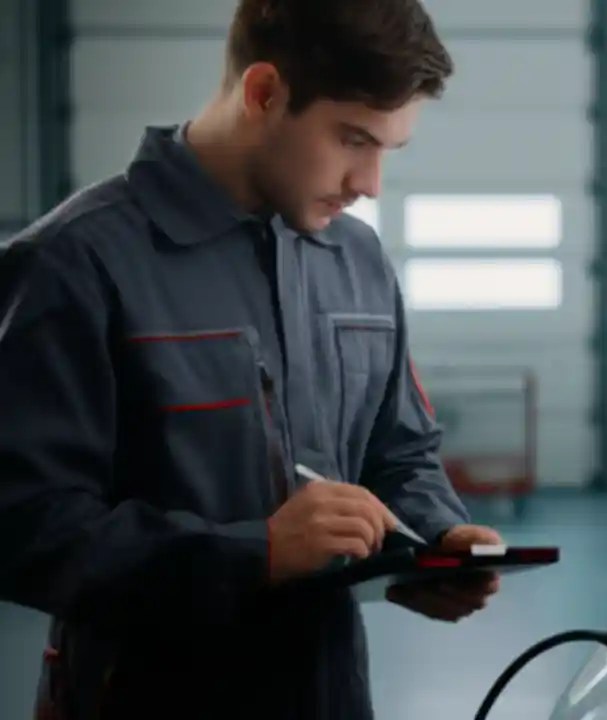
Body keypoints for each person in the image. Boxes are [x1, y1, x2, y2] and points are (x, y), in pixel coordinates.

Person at [0, 1, 503, 717]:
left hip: (328, 694)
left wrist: (433, 542)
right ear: (264, 94)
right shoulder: (75, 263)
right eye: (353, 139)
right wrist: (255, 552)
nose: (371, 183)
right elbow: (24, 526)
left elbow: (400, 452)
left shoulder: (356, 260)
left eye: (388, 150)